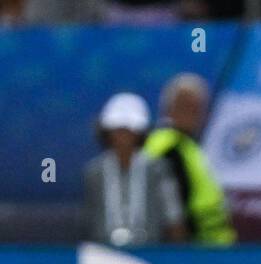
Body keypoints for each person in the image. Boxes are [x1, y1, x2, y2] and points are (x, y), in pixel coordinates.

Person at [144, 74, 237, 245]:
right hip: (194, 250)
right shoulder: (169, 148)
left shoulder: (187, 145)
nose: (194, 114)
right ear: (169, 108)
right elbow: (171, 212)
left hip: (210, 248)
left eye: (198, 108)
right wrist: (183, 255)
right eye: (186, 107)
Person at [84, 92, 186, 247]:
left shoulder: (158, 169)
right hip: (104, 254)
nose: (123, 136)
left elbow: (173, 216)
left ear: (140, 133)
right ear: (107, 132)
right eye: (118, 130)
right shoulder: (94, 172)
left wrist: (177, 258)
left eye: (129, 131)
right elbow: (90, 219)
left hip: (150, 253)